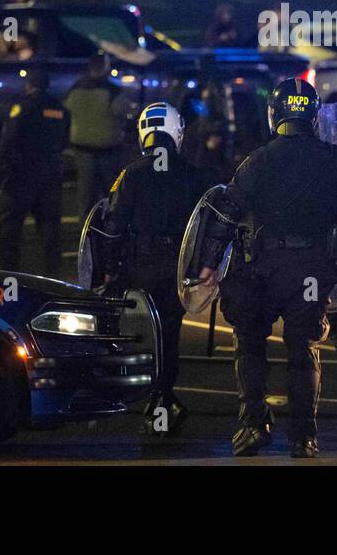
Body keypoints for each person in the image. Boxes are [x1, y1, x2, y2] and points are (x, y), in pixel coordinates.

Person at [200, 78, 337, 458]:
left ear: (274, 114)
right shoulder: (334, 159)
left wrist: (209, 263)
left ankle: (252, 425)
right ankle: (302, 437)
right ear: (312, 116)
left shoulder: (259, 159)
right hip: (311, 269)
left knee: (250, 342)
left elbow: (226, 212)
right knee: (303, 348)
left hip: (262, 266)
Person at [103, 103, 212, 435]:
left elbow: (113, 225)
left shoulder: (131, 174)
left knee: (144, 335)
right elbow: (207, 224)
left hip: (140, 266)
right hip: (178, 269)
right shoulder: (193, 175)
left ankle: (153, 399)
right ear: (177, 133)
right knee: (170, 332)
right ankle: (163, 399)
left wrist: (108, 269)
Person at [0, 70, 71, 276]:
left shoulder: (23, 107)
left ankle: (8, 274)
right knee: (50, 227)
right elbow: (64, 141)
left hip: (22, 173)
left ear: (29, 85)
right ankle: (53, 274)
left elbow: (9, 139)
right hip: (50, 174)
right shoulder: (60, 110)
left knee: (10, 226)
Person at [65, 52, 132, 217]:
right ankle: (110, 228)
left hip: (82, 149)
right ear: (105, 67)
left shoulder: (75, 89)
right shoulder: (113, 91)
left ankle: (85, 230)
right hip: (108, 148)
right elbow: (124, 113)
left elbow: (68, 111)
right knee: (110, 192)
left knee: (86, 194)